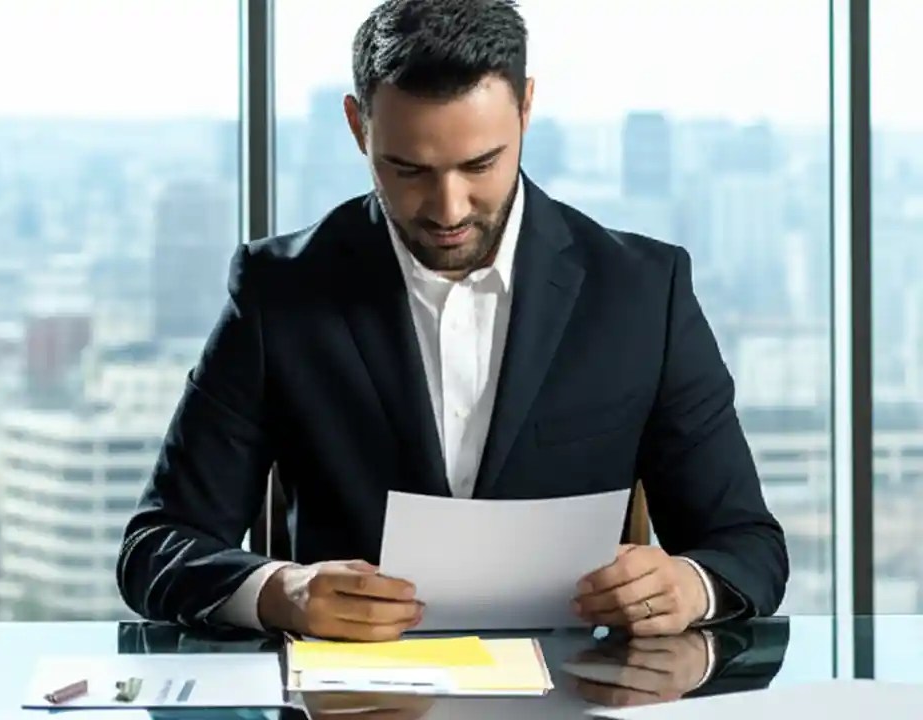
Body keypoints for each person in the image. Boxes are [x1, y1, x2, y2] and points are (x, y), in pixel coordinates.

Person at [116, 0, 788, 641]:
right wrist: (279, 592)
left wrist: (690, 586)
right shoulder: (281, 291)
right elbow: (157, 546)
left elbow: (748, 545)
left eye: (481, 165)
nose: (448, 207)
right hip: (358, 696)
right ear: (358, 126)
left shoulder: (642, 292)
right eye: (408, 169)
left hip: (578, 693)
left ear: (526, 108)